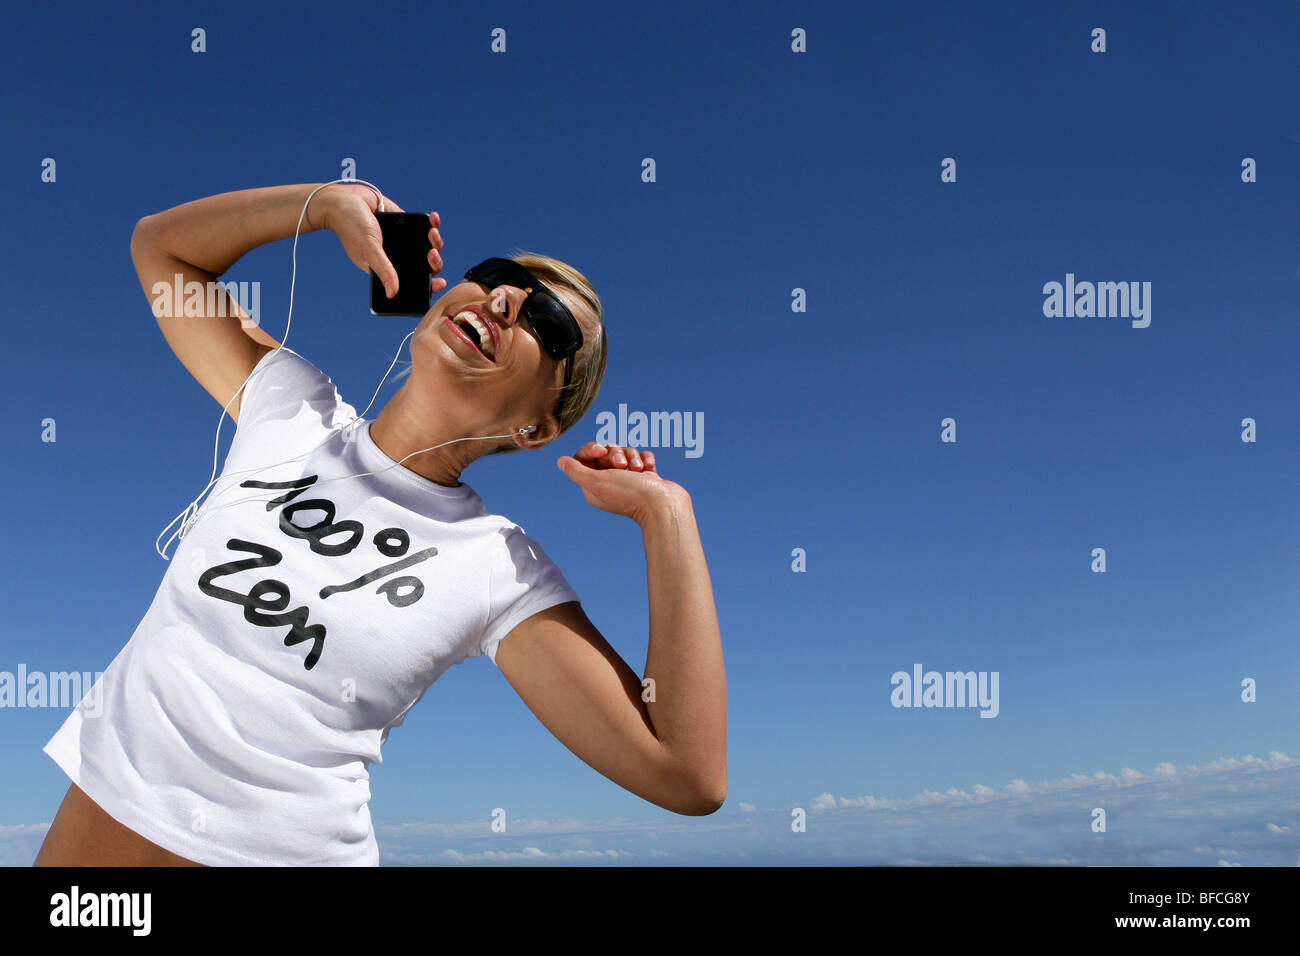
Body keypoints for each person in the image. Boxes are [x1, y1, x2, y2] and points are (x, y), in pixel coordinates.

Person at [34, 182, 727, 866]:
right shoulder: (291, 407)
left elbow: (687, 775)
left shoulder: (497, 566)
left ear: (536, 428)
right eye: (496, 276)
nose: (505, 300)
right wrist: (322, 204)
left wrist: (667, 515)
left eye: (547, 323)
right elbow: (162, 250)